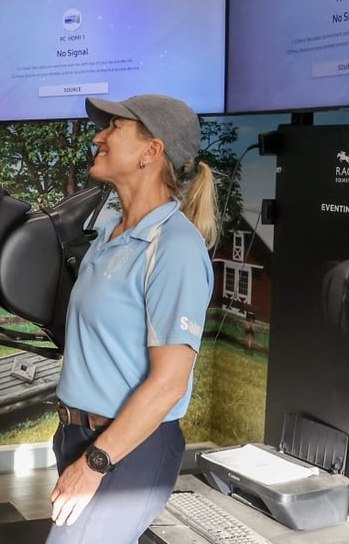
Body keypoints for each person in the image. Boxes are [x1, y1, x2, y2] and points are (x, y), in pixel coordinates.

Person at [46, 94, 219, 543]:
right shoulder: (108, 235)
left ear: (151, 151)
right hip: (75, 435)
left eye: (114, 128)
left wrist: (95, 463)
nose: (98, 136)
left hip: (127, 450)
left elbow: (169, 384)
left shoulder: (174, 248)